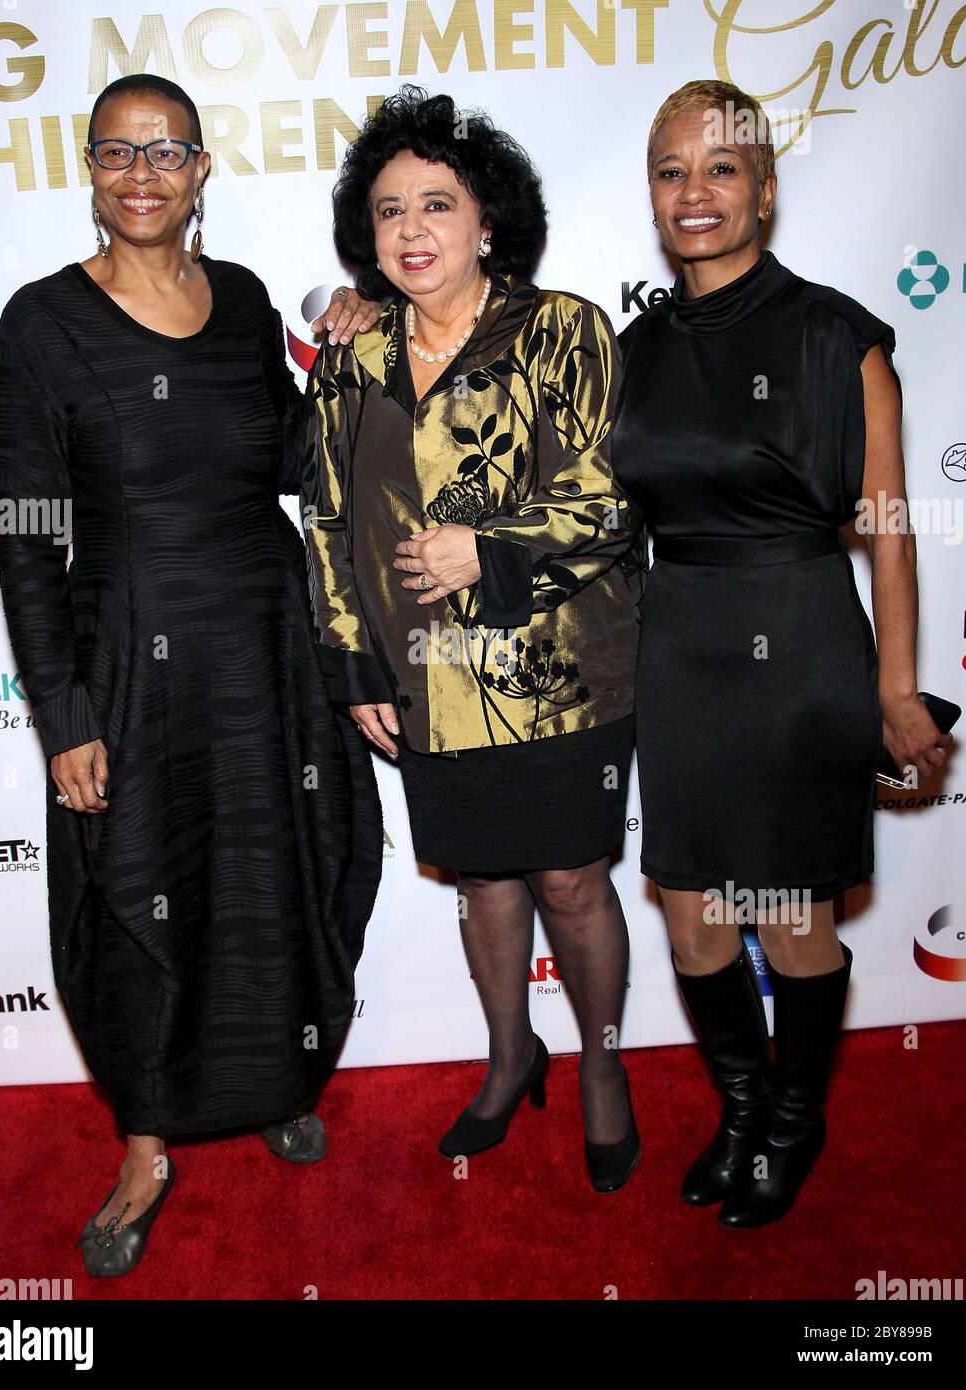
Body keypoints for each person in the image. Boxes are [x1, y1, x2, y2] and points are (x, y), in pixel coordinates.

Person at [0, 73, 384, 1275]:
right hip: (127, 649)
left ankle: (277, 1069)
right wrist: (63, 714)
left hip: (265, 642)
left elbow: (288, 457)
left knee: (279, 865)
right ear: (91, 173)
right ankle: (149, 1140)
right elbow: (24, 530)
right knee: (140, 889)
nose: (143, 175)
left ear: (202, 169)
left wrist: (346, 365)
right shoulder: (42, 322)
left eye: (167, 153)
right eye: (118, 153)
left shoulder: (247, 297)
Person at [612, 79, 953, 1227]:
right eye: (671, 171)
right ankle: (741, 1107)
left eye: (719, 169)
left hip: (798, 641)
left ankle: (794, 1124)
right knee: (693, 916)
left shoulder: (832, 334)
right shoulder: (635, 346)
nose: (693, 193)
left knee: (789, 917)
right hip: (681, 648)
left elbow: (889, 525)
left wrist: (894, 690)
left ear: (763, 186)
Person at [301, 86, 648, 1192]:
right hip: (425, 684)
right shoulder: (347, 363)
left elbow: (610, 501)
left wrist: (482, 548)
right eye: (390, 208)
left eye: (436, 204)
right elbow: (328, 523)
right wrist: (355, 659)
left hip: (560, 678)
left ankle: (599, 1068)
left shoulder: (564, 329)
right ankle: (509, 1056)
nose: (411, 229)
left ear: (485, 221)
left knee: (573, 885)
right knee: (484, 888)